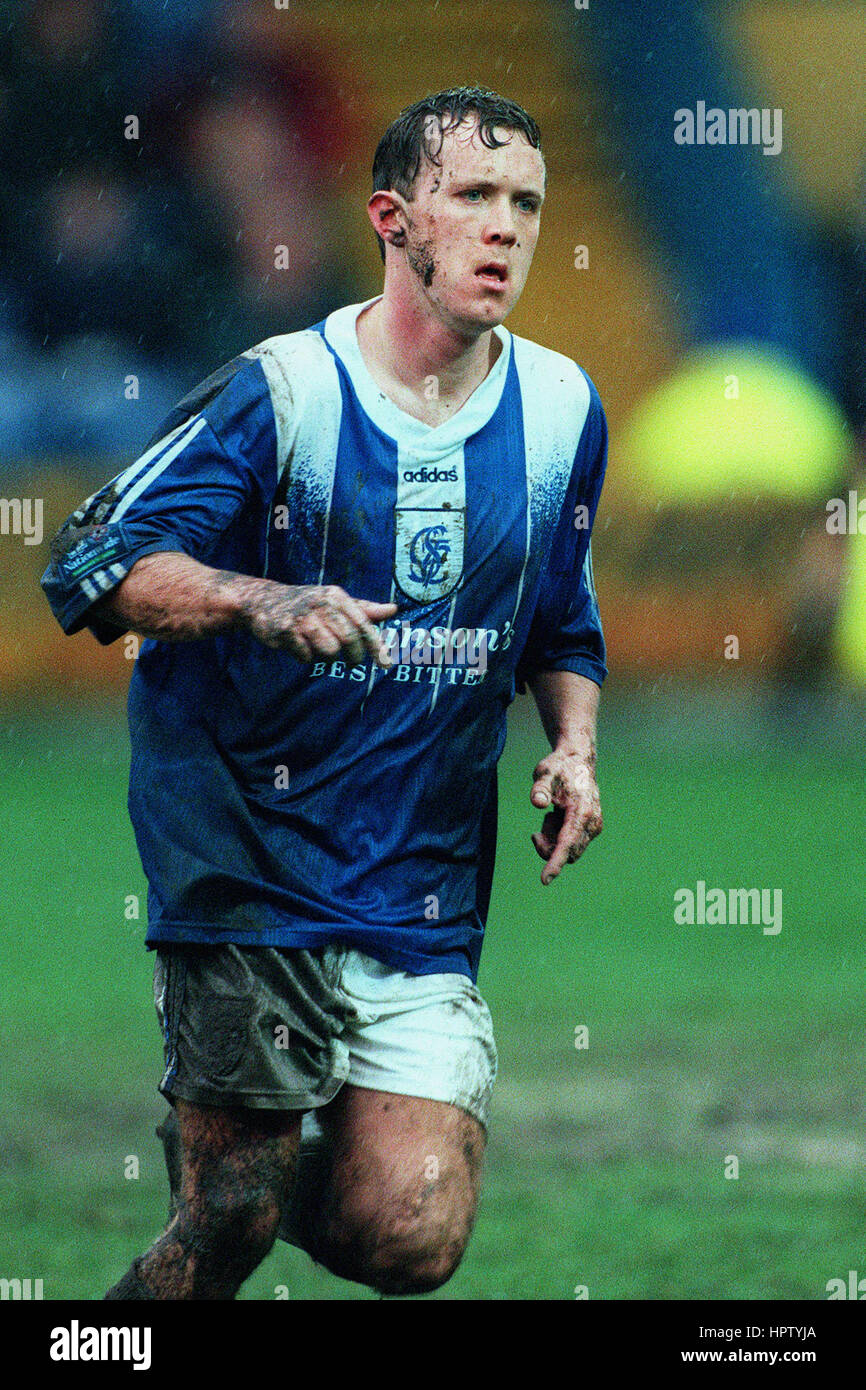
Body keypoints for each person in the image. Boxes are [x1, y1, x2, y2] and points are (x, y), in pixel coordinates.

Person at [41, 86, 608, 1300]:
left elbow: (561, 613)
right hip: (245, 849)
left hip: (420, 884)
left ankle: (221, 1167)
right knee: (231, 1225)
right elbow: (95, 563)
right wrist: (265, 601)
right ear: (393, 218)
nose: (503, 228)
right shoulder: (281, 392)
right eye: (471, 198)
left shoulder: (562, 410)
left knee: (410, 1236)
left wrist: (573, 746)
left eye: (524, 204)